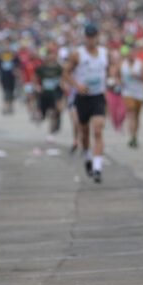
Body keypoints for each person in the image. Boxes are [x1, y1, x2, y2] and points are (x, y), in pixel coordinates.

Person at [63, 23, 109, 184]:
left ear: (98, 37)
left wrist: (113, 80)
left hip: (98, 96)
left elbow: (110, 69)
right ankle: (88, 157)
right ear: (85, 38)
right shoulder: (78, 54)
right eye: (88, 37)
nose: (91, 40)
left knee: (98, 130)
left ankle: (97, 168)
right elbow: (66, 72)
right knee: (85, 132)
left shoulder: (104, 53)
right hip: (83, 97)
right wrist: (77, 86)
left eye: (93, 37)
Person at [34, 45, 65, 142]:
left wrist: (63, 84)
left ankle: (50, 134)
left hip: (54, 94)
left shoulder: (58, 68)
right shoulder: (42, 68)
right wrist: (36, 86)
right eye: (48, 54)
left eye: (52, 54)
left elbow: (64, 77)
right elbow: (34, 76)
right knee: (43, 116)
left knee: (53, 113)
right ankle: (39, 116)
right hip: (44, 94)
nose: (50, 56)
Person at [118, 42, 143, 149]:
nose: (130, 54)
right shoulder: (122, 64)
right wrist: (118, 81)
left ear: (135, 53)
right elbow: (116, 75)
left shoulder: (141, 64)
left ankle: (135, 135)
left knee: (137, 116)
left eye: (132, 52)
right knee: (131, 114)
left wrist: (138, 76)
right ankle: (132, 137)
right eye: (128, 53)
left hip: (139, 94)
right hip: (127, 93)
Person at [0, 42, 19, 115]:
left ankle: (10, 105)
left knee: (11, 91)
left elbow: (18, 64)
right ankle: (6, 106)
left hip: (12, 77)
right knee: (5, 91)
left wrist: (17, 71)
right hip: (4, 77)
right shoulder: (1, 56)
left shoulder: (13, 55)